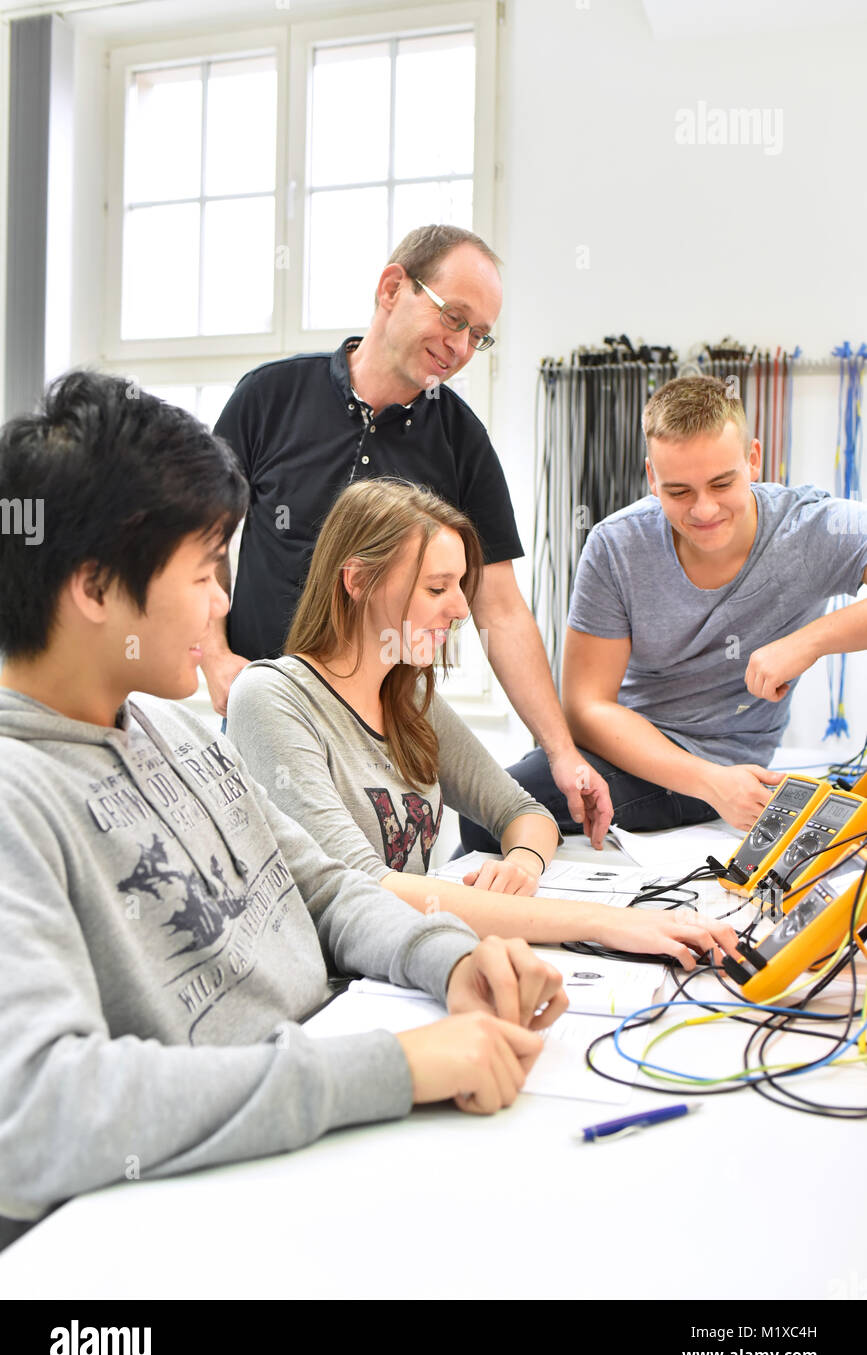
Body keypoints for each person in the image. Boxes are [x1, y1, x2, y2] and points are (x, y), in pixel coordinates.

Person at [0, 371, 570, 1244]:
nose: (226, 603)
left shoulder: (176, 734)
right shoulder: (17, 796)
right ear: (93, 586)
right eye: (202, 574)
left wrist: (453, 962)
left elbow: (326, 889)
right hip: (193, 1212)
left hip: (310, 1120)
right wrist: (385, 1069)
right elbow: (41, 1112)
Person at [207, 224, 612, 846]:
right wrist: (215, 657)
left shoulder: (462, 441)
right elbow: (200, 543)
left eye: (479, 335)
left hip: (382, 725)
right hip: (264, 716)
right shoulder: (269, 398)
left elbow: (499, 610)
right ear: (393, 287)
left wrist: (559, 751)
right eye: (454, 318)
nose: (461, 347)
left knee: (378, 895)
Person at [226, 478, 738, 964]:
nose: (460, 609)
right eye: (436, 588)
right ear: (357, 580)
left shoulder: (410, 698)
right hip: (334, 988)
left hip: (410, 959)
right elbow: (363, 888)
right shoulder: (272, 697)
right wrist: (601, 922)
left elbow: (524, 812)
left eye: (459, 586)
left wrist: (521, 865)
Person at [461, 374, 867, 851]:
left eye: (722, 482)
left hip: (729, 762)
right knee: (485, 813)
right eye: (679, 492)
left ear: (753, 459)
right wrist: (709, 782)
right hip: (629, 750)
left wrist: (809, 641)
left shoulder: (813, 528)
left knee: (487, 821)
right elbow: (587, 707)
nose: (704, 509)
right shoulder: (616, 544)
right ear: (651, 476)